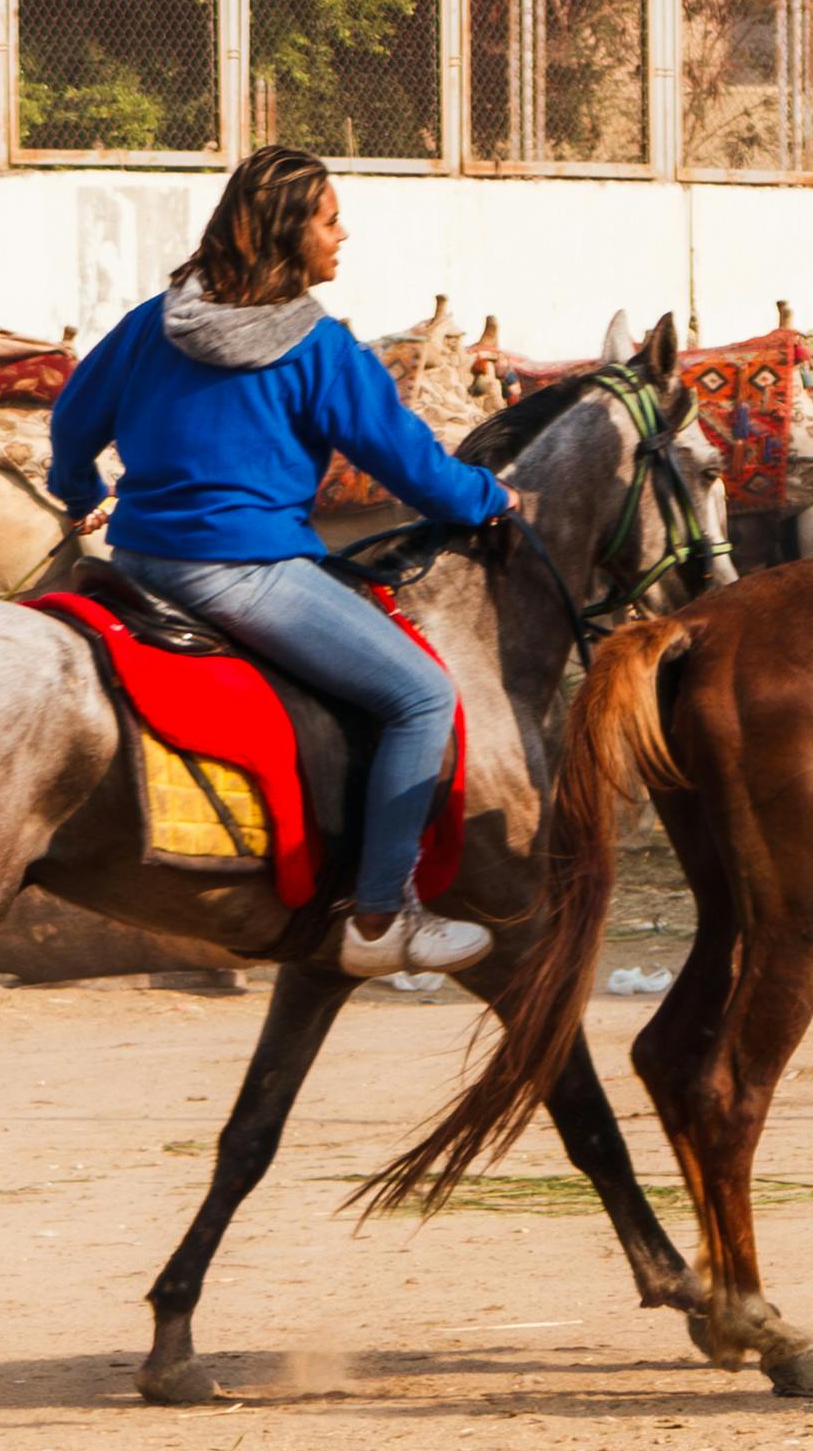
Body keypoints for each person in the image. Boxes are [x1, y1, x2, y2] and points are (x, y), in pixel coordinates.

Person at [46, 146, 513, 982]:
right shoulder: (319, 348)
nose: (344, 235)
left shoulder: (155, 321)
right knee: (420, 694)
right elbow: (413, 467)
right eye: (330, 219)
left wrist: (77, 487)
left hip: (138, 561)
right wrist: (491, 499)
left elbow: (75, 416)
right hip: (244, 571)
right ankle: (379, 914)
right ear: (288, 231)